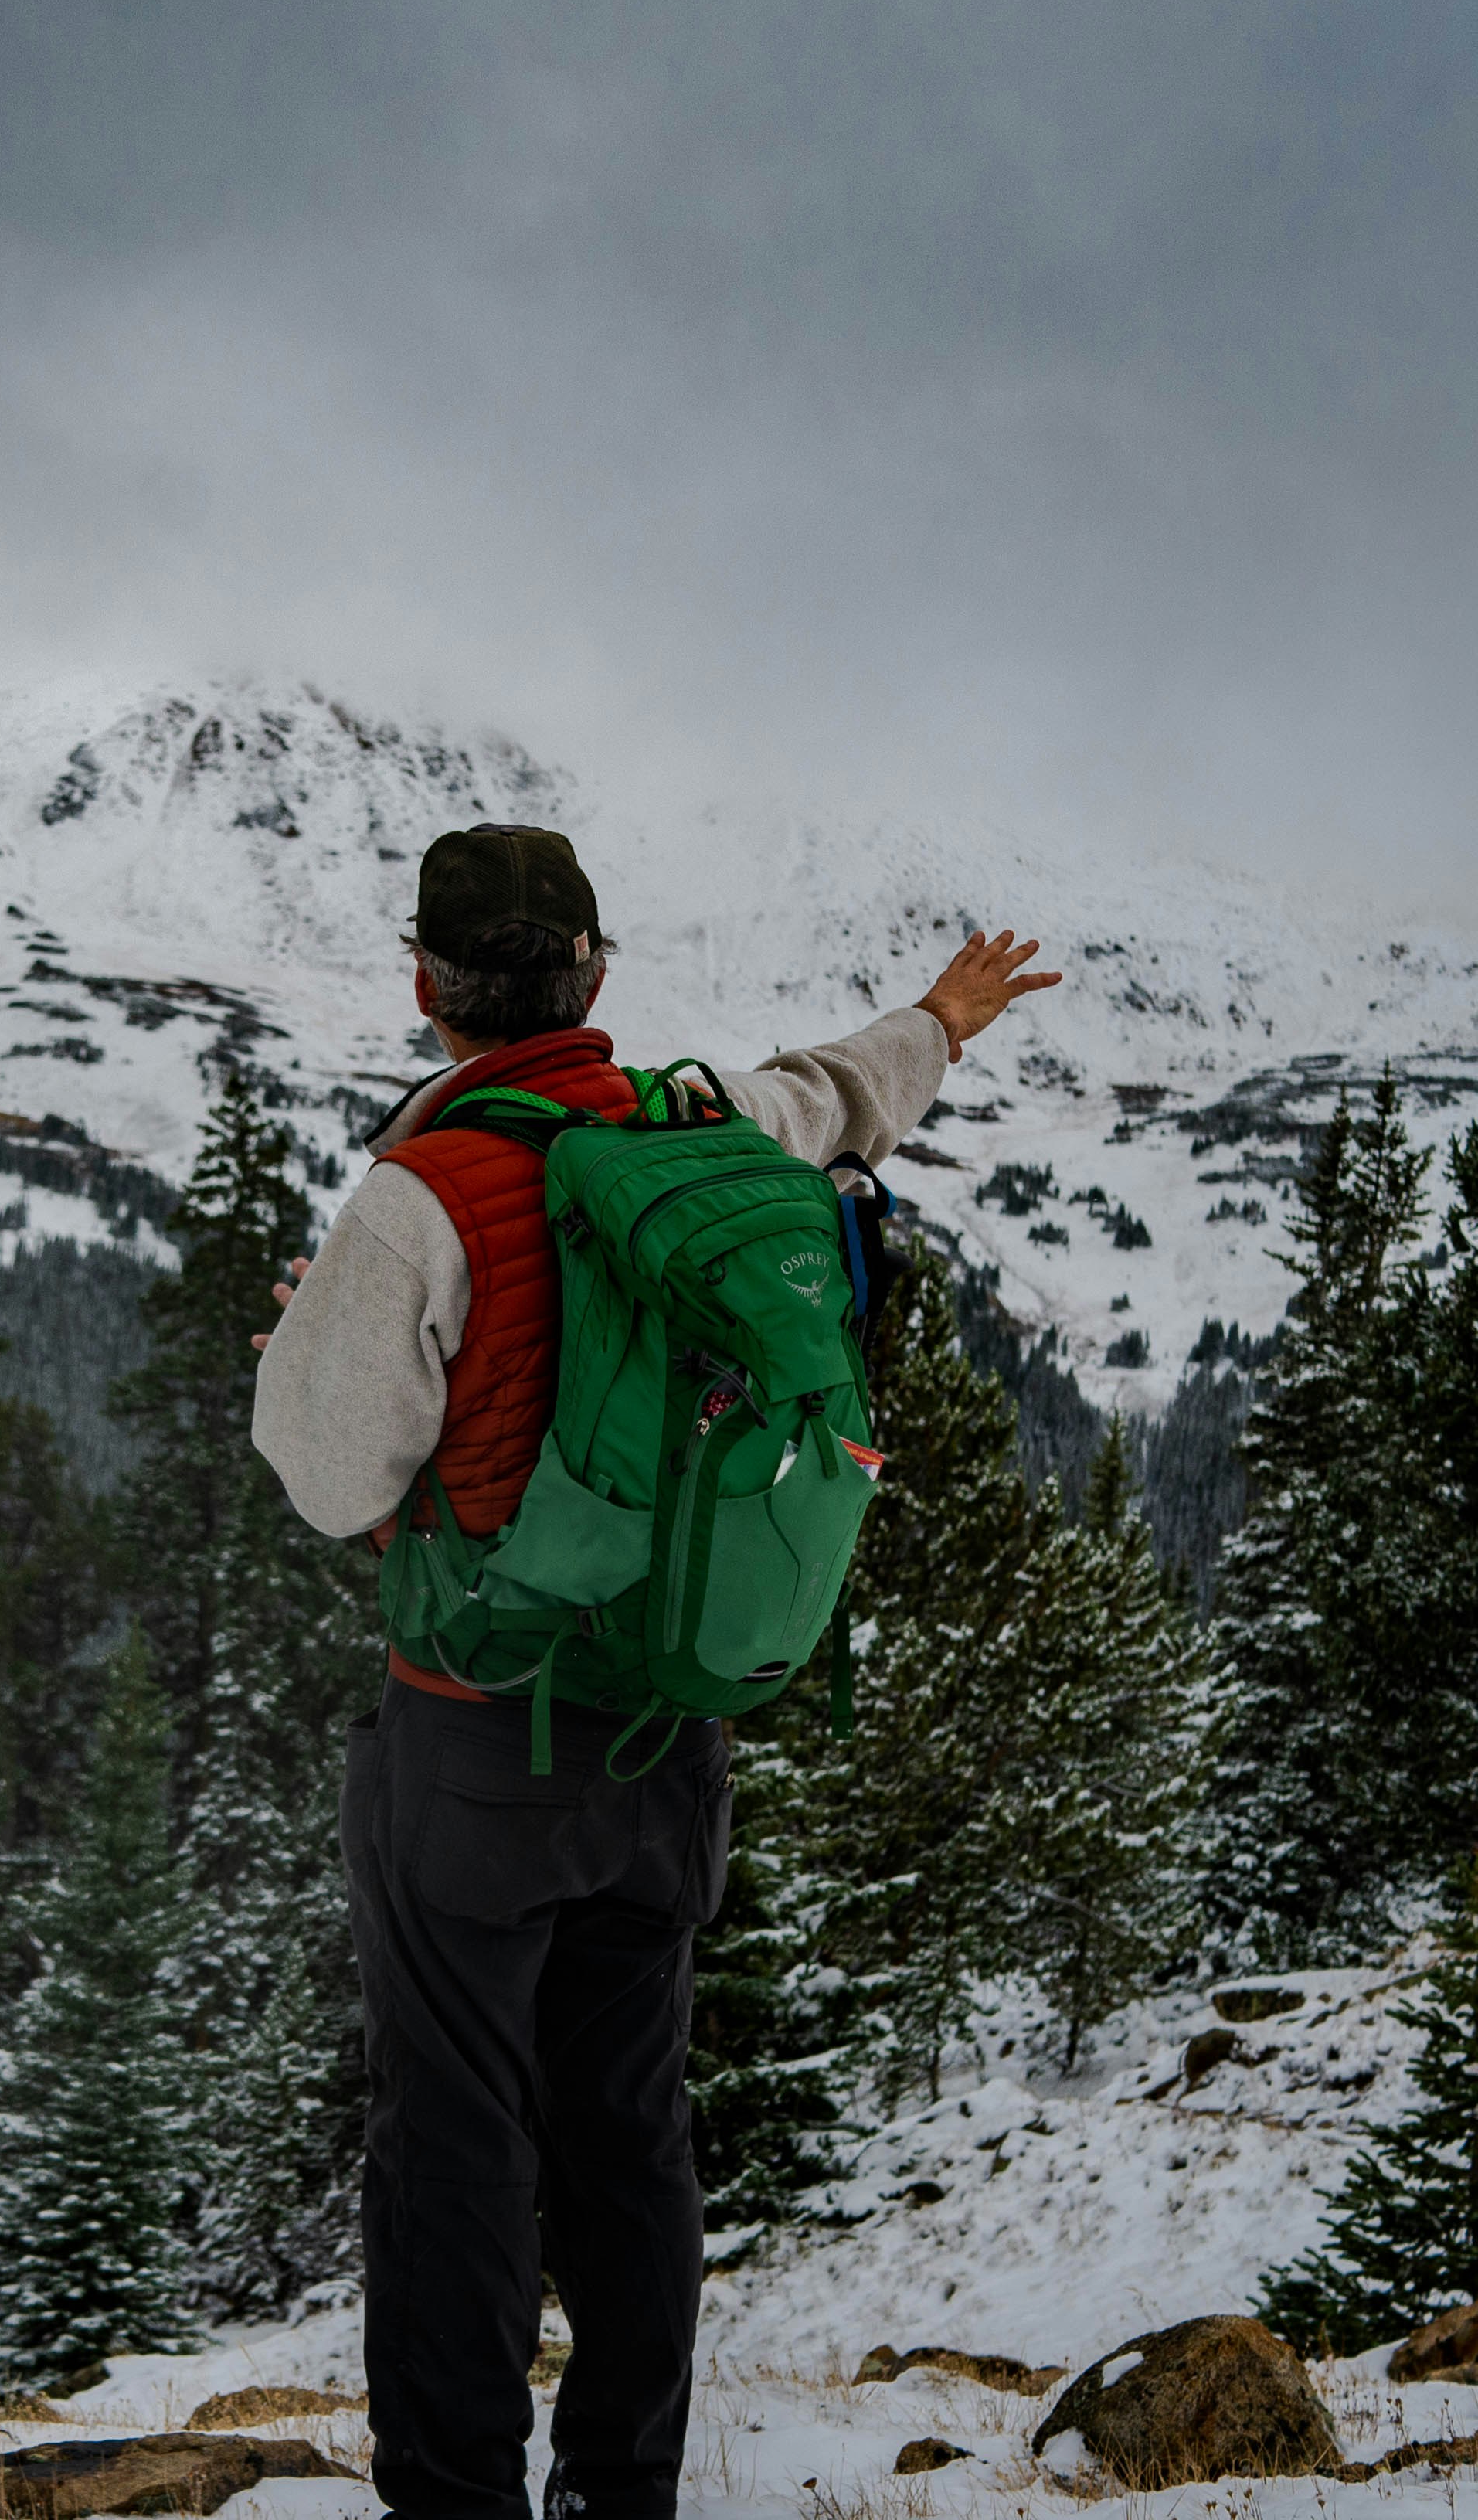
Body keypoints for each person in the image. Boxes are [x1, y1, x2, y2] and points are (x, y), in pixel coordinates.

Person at [249, 826, 1055, 2520]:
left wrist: (295, 1357)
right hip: (665, 1735)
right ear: (594, 978)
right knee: (631, 2139)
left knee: (457, 2139)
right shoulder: (696, 1124)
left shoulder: (422, 1192)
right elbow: (845, 1096)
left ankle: (454, 2499)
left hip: (472, 1740)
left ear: (426, 985)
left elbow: (334, 1480)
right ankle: (620, 2491)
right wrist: (944, 1015)